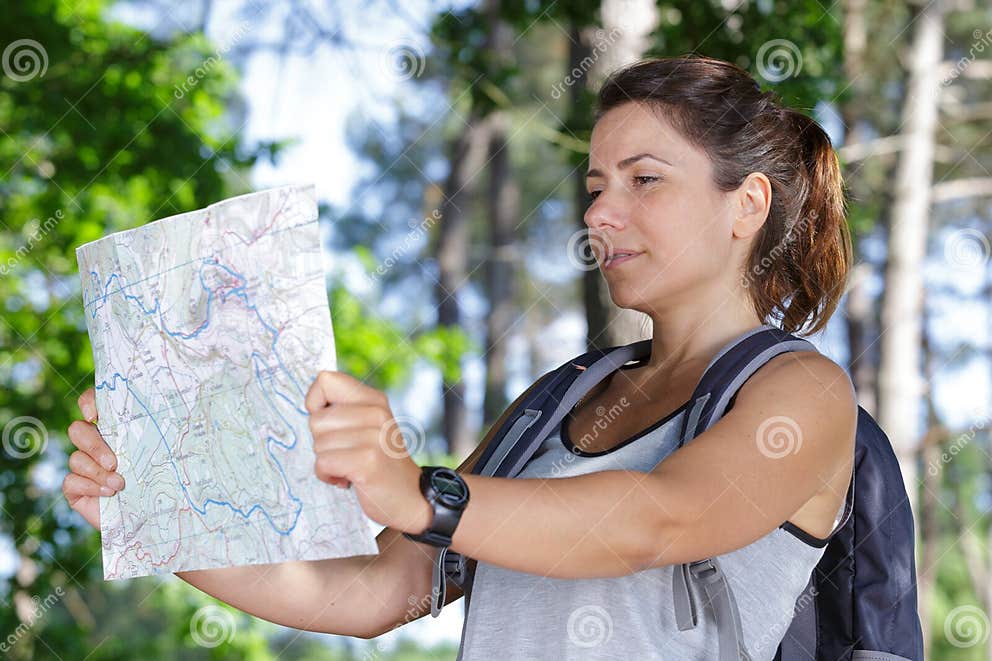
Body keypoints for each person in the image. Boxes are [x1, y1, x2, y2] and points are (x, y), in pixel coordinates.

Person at [63, 54, 856, 659]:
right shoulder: (559, 400)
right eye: (594, 185)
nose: (602, 212)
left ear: (746, 204)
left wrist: (422, 495)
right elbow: (376, 592)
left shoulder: (802, 392)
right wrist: (159, 516)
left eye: (644, 179)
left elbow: (654, 518)